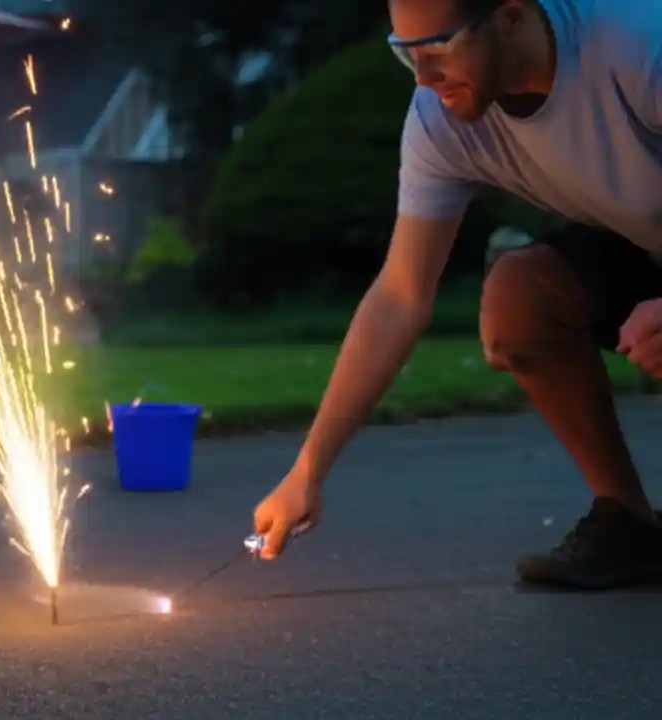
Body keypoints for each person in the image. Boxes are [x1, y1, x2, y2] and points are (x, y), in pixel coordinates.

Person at [251, 0, 662, 590]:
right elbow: (399, 295)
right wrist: (307, 471)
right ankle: (630, 523)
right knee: (520, 298)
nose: (424, 78)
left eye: (440, 49)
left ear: (511, 17)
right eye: (407, 55)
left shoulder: (637, 48)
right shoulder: (440, 122)